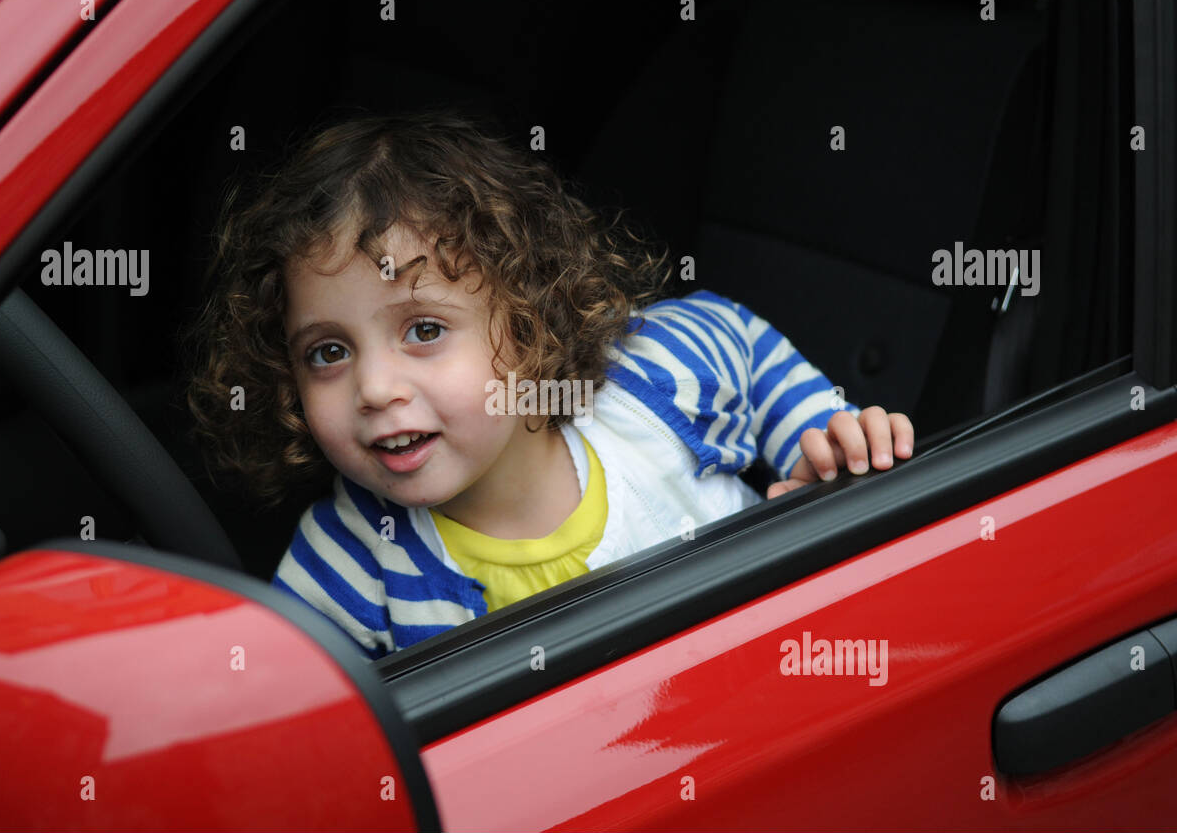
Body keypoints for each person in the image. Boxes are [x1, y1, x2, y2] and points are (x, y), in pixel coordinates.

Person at [184, 109, 914, 659]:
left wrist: (820, 439)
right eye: (328, 351)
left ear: (530, 316)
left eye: (425, 331)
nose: (373, 387)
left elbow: (739, 339)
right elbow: (283, 712)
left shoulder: (653, 383)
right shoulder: (348, 556)